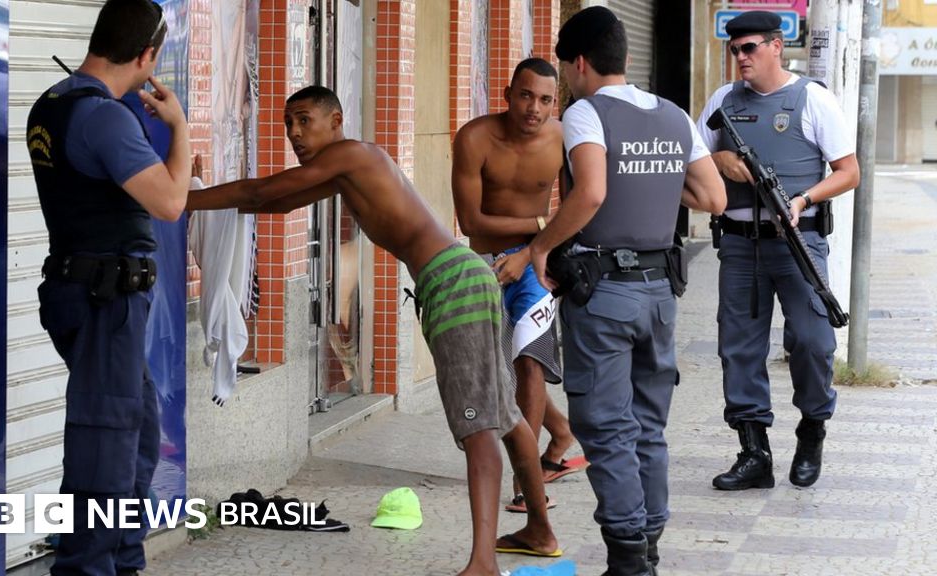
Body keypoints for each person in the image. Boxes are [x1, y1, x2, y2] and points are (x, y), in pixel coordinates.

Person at [185, 85, 559, 576]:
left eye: (304, 120)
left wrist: (181, 199)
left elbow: (261, 191)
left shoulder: (351, 155)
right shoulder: (345, 169)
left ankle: (483, 562)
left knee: (478, 426)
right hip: (462, 278)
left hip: (453, 282)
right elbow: (273, 205)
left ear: (335, 120)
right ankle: (539, 531)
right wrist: (199, 193)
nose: (294, 133)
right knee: (503, 415)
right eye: (287, 124)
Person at [522, 7, 726, 575]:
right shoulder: (674, 114)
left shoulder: (587, 112)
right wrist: (656, 187)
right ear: (626, 57)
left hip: (606, 292)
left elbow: (588, 195)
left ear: (578, 64)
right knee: (647, 425)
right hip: (661, 292)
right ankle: (649, 541)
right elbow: (713, 198)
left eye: (565, 71)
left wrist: (540, 249)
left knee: (607, 426)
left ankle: (629, 556)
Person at [25, 0, 191, 573]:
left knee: (138, 431)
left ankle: (121, 560)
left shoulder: (52, 104)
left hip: (86, 291)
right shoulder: (104, 117)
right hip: (105, 299)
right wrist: (179, 127)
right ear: (147, 55)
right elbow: (171, 202)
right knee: (105, 445)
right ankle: (87, 565)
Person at [695, 11, 860, 492]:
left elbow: (848, 171)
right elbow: (693, 159)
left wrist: (805, 198)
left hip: (799, 240)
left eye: (749, 48)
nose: (740, 58)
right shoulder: (723, 100)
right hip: (741, 245)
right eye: (734, 50)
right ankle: (754, 453)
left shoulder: (811, 98)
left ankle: (812, 428)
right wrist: (719, 159)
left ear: (775, 45)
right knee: (739, 347)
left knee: (812, 341)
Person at [452, 57, 582, 513]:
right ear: (508, 94)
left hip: (536, 261)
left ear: (556, 103)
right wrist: (544, 220)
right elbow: (470, 220)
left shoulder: (564, 137)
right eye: (526, 96)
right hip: (484, 261)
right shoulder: (475, 138)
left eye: (546, 100)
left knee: (529, 363)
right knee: (495, 373)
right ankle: (560, 431)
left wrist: (532, 248)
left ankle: (526, 483)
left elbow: (577, 208)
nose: (534, 108)